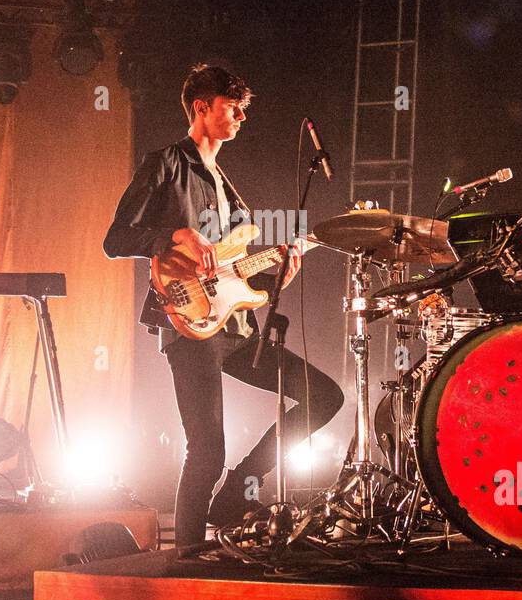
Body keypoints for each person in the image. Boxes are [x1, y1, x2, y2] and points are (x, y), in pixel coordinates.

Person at [104, 63, 344, 547]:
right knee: (207, 449)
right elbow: (115, 239)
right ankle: (187, 557)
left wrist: (280, 268)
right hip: (188, 324)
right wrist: (174, 234)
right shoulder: (166, 164)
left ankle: (236, 491)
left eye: (242, 109)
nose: (240, 117)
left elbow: (236, 266)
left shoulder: (228, 187)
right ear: (201, 107)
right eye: (232, 108)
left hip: (236, 329)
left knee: (324, 396)